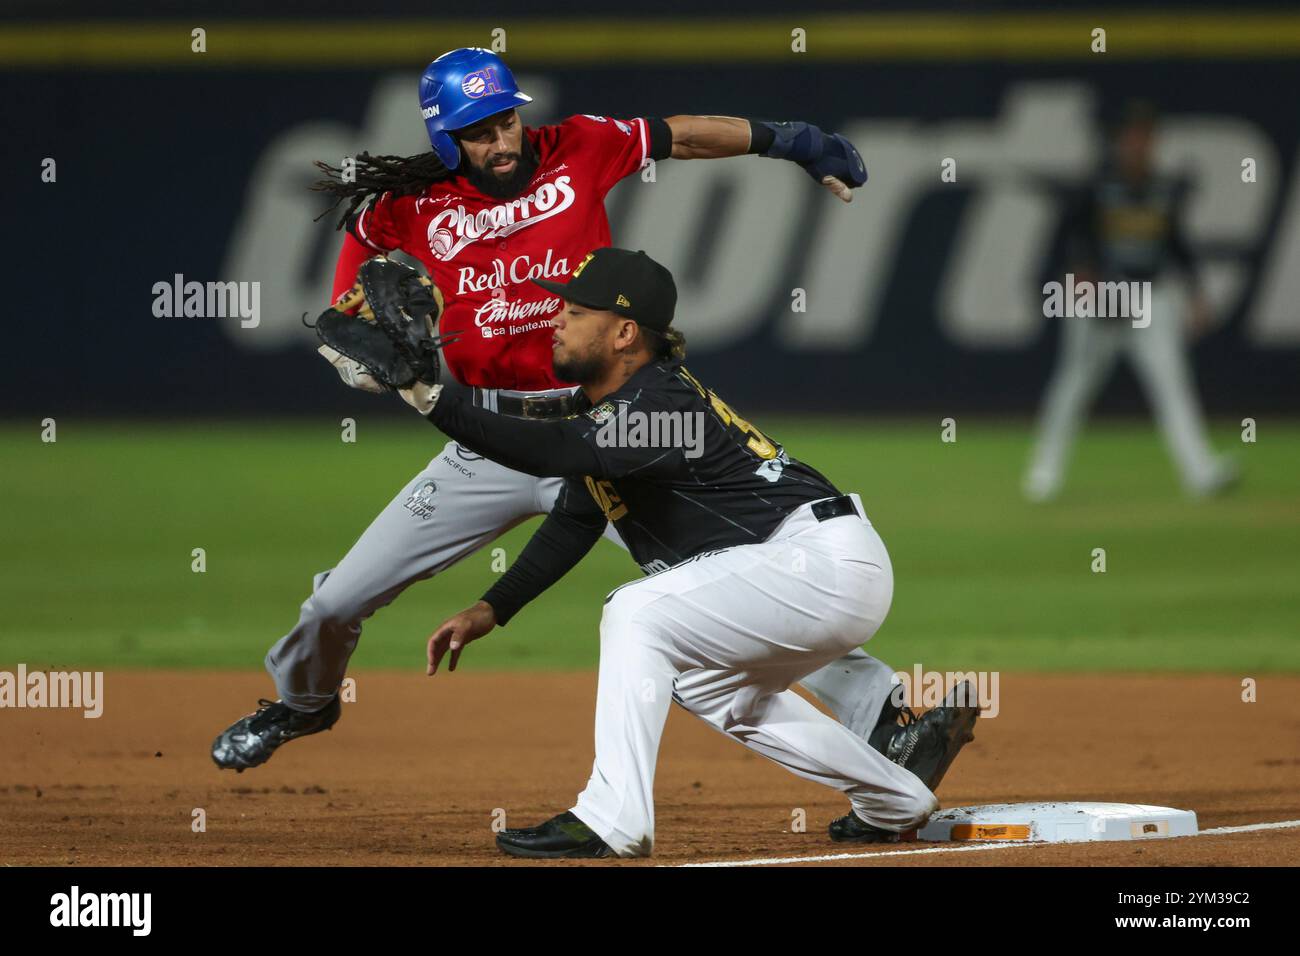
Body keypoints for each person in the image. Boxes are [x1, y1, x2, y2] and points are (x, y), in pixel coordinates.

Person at [212, 46, 922, 772]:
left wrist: (794, 140)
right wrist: (358, 337)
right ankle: (302, 702)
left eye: (506, 120)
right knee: (337, 601)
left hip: (602, 427)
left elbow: (684, 134)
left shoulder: (578, 145)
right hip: (485, 439)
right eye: (478, 131)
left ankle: (884, 711)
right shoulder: (406, 206)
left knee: (728, 580)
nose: (501, 140)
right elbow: (354, 290)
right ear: (443, 138)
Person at [401, 247, 978, 858]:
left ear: (625, 333)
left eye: (575, 311)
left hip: (820, 561)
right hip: (803, 572)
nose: (556, 320)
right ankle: (895, 799)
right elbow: (576, 516)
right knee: (707, 683)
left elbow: (545, 452)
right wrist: (492, 608)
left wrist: (428, 394)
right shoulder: (614, 412)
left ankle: (612, 817)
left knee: (636, 612)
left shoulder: (661, 405)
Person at [1023, 100, 1238, 501]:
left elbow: (1176, 245)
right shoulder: (1098, 185)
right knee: (1073, 384)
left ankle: (1201, 472)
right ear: (1120, 140)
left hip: (1149, 298)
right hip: (1101, 296)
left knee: (1171, 384)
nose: (1139, 143)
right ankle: (1043, 473)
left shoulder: (1162, 188)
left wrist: (1195, 293)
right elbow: (1072, 237)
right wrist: (1080, 270)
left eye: (1146, 135)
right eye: (1133, 135)